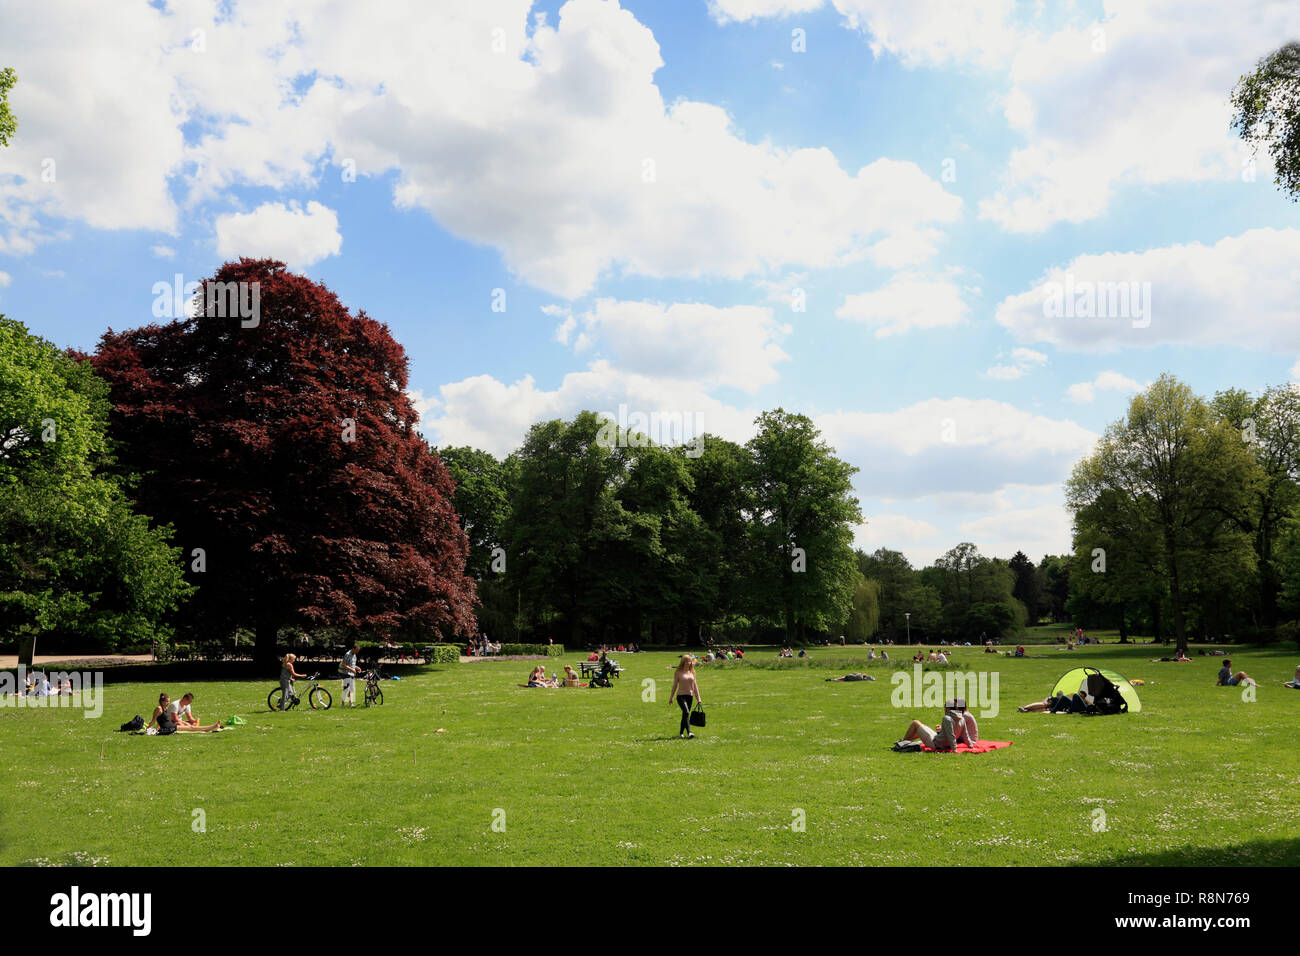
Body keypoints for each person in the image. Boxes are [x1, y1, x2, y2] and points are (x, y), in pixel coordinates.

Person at [900, 701, 977, 751]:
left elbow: (951, 735)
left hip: (936, 744)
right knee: (921, 727)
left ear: (947, 708)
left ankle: (902, 744)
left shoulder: (947, 718)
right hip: (941, 742)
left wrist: (954, 750)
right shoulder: (961, 718)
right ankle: (904, 742)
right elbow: (965, 735)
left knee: (915, 723)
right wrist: (971, 747)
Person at [149, 693, 222, 733]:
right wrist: (148, 729)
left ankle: (210, 728)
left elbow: (160, 721)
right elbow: (154, 720)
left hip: (170, 726)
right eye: (167, 701)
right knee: (191, 728)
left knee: (191, 727)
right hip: (169, 727)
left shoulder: (165, 708)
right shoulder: (158, 708)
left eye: (168, 701)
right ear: (162, 701)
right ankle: (211, 727)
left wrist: (157, 730)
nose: (168, 703)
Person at [669, 655, 703, 739]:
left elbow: (695, 686)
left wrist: (698, 698)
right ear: (683, 662)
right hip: (680, 696)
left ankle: (681, 733)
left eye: (689, 661)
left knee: (685, 714)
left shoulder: (692, 672)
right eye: (687, 661)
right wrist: (671, 697)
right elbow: (674, 685)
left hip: (690, 696)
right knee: (687, 712)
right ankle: (689, 732)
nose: (688, 663)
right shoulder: (678, 672)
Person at [339, 643, 362, 707]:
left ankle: (351, 703)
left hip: (352, 674)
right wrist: (352, 669)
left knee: (352, 689)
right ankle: (342, 704)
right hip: (346, 673)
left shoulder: (354, 655)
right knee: (346, 689)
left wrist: (357, 668)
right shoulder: (347, 654)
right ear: (353, 649)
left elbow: (352, 665)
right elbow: (344, 664)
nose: (357, 652)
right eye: (356, 650)